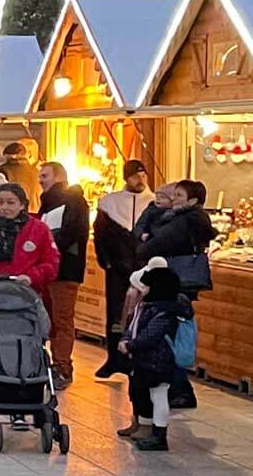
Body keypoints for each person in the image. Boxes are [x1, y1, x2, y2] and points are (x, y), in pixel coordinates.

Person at [136, 178, 215, 409]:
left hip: (179, 280)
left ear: (192, 200)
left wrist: (144, 244)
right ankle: (178, 388)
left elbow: (157, 242)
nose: (173, 200)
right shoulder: (181, 217)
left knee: (168, 334)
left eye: (179, 196)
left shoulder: (186, 220)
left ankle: (180, 389)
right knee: (169, 332)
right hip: (179, 279)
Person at [91, 160, 153, 380]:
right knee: (116, 315)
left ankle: (137, 358)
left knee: (142, 313)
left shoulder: (153, 203)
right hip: (117, 268)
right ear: (126, 178)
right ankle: (114, 358)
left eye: (143, 176)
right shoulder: (109, 203)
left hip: (144, 268)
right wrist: (105, 261)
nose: (140, 180)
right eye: (136, 176)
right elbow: (100, 234)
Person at [118, 258, 187, 452]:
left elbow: (150, 335)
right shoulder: (157, 307)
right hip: (151, 360)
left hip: (159, 361)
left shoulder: (163, 311)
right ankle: (154, 432)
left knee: (159, 396)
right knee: (153, 395)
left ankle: (159, 435)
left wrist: (130, 345)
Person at [36, 161, 90, 388]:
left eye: (45, 175)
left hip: (64, 270)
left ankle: (62, 366)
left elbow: (71, 232)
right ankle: (51, 362)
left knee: (61, 319)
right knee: (48, 318)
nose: (40, 179)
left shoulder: (72, 200)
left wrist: (46, 246)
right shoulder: (48, 203)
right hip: (48, 270)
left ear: (59, 176)